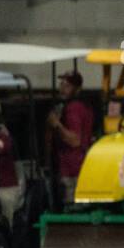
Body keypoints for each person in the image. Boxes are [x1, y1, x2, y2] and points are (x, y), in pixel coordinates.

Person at [45, 71, 94, 205]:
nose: (62, 89)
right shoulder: (84, 106)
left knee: (71, 209)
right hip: (77, 166)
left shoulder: (74, 108)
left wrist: (56, 124)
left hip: (72, 169)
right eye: (62, 84)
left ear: (77, 89)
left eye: (67, 86)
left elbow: (74, 140)